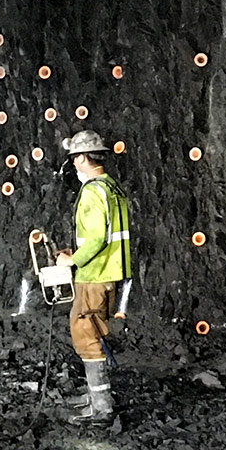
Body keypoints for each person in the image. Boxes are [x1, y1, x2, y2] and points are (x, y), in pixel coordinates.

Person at [55, 130, 131, 424]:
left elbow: (97, 236)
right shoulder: (112, 187)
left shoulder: (91, 191)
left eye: (74, 157)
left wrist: (72, 260)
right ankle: (95, 396)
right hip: (110, 272)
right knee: (94, 333)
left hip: (94, 274)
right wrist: (75, 252)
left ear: (83, 157)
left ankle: (100, 407)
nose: (73, 163)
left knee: (86, 336)